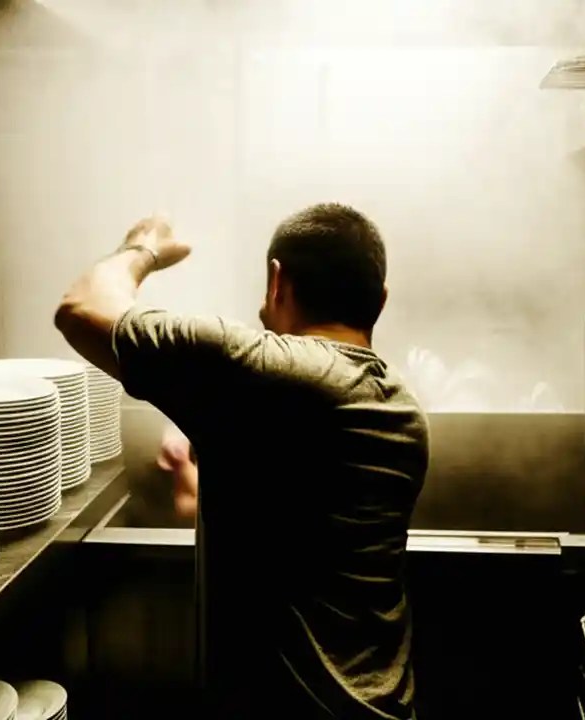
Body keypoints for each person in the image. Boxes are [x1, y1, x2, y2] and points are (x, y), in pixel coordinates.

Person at [54, 203, 429, 719]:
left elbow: (79, 309)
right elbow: (288, 529)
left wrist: (143, 248)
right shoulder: (399, 408)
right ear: (379, 300)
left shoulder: (268, 373)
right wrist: (200, 438)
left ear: (277, 281)